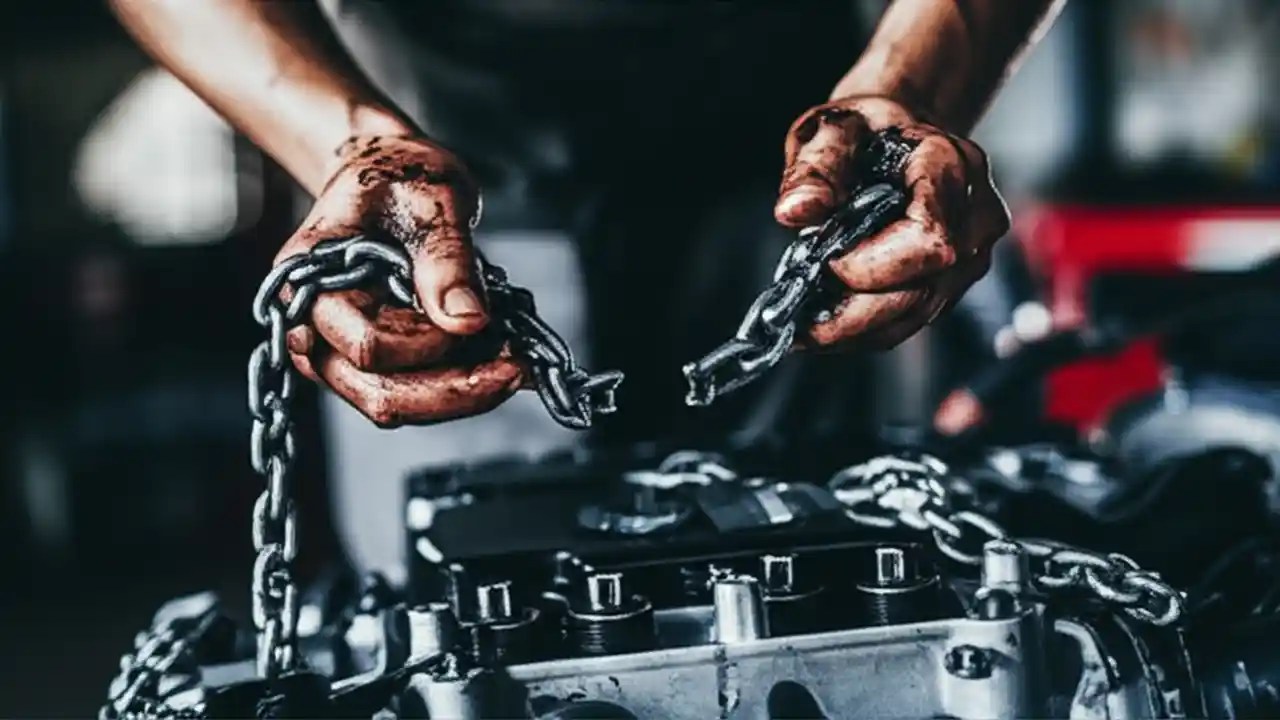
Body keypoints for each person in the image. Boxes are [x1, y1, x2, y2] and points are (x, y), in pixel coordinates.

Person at [108, 0, 1062, 579]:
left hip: (790, 189)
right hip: (442, 205)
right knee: (466, 594)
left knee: (825, 569)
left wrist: (910, 88)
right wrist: (342, 142)